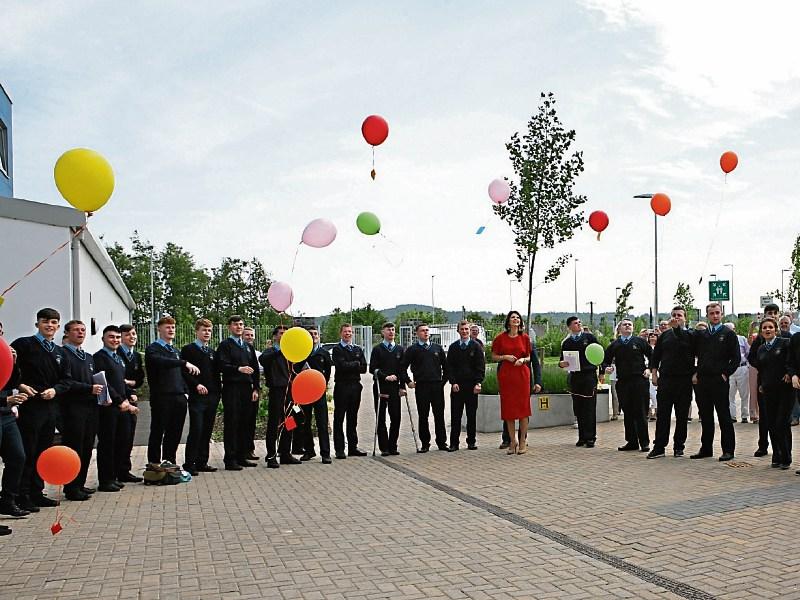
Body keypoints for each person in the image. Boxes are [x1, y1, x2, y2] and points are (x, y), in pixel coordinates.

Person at [11, 307, 72, 511]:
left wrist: (55, 391)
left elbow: (66, 380)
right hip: (30, 407)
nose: (50, 325)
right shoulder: (24, 345)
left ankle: (37, 492)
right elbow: (9, 369)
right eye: (45, 321)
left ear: (58, 326)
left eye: (54, 322)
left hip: (50, 408)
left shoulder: (59, 352)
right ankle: (21, 494)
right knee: (27, 451)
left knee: (42, 453)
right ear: (37, 323)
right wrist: (20, 385)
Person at [687, 302, 740, 461]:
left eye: (717, 313)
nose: (715, 316)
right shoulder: (701, 335)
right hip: (703, 381)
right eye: (712, 313)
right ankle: (706, 448)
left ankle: (728, 450)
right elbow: (693, 354)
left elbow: (736, 358)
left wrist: (726, 373)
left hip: (719, 380)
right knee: (706, 416)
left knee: (723, 415)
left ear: (721, 314)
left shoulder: (728, 334)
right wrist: (695, 372)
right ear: (707, 315)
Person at [145, 316, 199, 468]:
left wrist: (185, 392)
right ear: (159, 329)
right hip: (161, 397)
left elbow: (181, 373)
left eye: (173, 327)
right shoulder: (153, 349)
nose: (171, 330)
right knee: (157, 431)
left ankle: (170, 462)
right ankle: (154, 465)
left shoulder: (175, 351)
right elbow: (162, 362)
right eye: (167, 327)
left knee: (174, 432)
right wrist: (183, 362)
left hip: (178, 397)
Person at [60, 320, 103, 500]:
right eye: (76, 330)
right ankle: (71, 487)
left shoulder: (88, 357)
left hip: (90, 408)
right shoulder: (63, 354)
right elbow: (67, 382)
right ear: (67, 333)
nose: (80, 333)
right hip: (72, 409)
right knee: (74, 448)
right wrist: (88, 389)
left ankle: (80, 483)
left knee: (86, 447)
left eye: (83, 330)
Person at [93, 325, 136, 492]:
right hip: (108, 407)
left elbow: (121, 382)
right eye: (111, 337)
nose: (115, 340)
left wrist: (129, 395)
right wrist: (120, 400)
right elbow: (105, 384)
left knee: (121, 442)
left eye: (118, 337)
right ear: (103, 339)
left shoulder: (118, 358)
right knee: (107, 444)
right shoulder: (99, 358)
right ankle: (105, 480)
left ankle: (116, 475)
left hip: (122, 407)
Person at [648, 306, 695, 458]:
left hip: (684, 379)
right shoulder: (665, 335)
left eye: (679, 315)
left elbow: (688, 347)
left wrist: (677, 330)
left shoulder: (690, 334)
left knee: (682, 415)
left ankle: (678, 446)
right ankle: (659, 446)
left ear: (685, 318)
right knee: (663, 414)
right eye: (674, 315)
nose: (676, 317)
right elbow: (656, 356)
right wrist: (654, 374)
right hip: (666, 379)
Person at [217, 316, 260, 470]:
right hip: (232, 388)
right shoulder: (225, 345)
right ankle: (230, 459)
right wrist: (238, 369)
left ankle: (242, 456)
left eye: (241, 324)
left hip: (247, 389)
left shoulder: (248, 347)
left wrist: (256, 388)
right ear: (229, 327)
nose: (239, 327)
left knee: (245, 423)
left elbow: (255, 368)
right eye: (235, 325)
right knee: (232, 423)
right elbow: (221, 365)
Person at [601, 318, 651, 453]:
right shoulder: (615, 345)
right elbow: (605, 361)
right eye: (625, 324)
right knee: (628, 413)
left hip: (639, 380)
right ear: (619, 329)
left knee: (640, 412)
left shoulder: (640, 342)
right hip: (623, 382)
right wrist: (606, 368)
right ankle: (632, 441)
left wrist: (649, 369)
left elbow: (652, 357)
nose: (627, 326)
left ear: (633, 328)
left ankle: (644, 442)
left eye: (630, 324)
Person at [180, 318, 221, 475]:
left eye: (209, 330)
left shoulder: (212, 352)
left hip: (212, 396)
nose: (207, 333)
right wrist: (195, 384)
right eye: (204, 330)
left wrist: (218, 392)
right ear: (196, 331)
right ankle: (190, 463)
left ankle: (202, 461)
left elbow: (216, 373)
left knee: (207, 430)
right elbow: (184, 372)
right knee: (196, 429)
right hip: (197, 396)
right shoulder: (188, 350)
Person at [750, 318, 793, 469]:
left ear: (776, 329)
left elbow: (791, 361)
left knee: (782, 422)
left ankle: (786, 456)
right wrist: (761, 384)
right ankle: (777, 454)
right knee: (772, 424)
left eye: (770, 327)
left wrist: (789, 373)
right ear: (761, 331)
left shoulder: (785, 343)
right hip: (768, 390)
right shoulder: (761, 349)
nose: (767, 330)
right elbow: (761, 368)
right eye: (764, 328)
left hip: (785, 390)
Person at [492, 311, 536, 454]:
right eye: (513, 317)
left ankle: (522, 440)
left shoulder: (525, 338)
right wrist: (505, 357)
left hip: (522, 375)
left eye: (518, 317)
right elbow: (494, 356)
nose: (515, 319)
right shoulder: (500, 338)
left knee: (523, 410)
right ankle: (512, 441)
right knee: (508, 410)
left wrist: (523, 360)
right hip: (507, 376)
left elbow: (529, 357)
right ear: (508, 321)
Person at [402, 323, 448, 453]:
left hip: (436, 386)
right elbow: (402, 368)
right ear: (417, 333)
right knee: (423, 416)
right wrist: (408, 381)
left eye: (427, 330)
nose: (425, 333)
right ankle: (425, 443)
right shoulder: (412, 350)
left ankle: (442, 442)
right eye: (422, 331)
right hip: (421, 386)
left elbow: (446, 368)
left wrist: (442, 382)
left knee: (439, 415)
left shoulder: (437, 348)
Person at [0, 324, 29, 530]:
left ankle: (7, 500)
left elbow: (13, 380)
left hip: (6, 417)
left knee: (18, 457)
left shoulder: (4, 353)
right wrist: (6, 401)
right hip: (3, 407)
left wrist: (14, 362)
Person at [260, 325, 301, 468]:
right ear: (275, 336)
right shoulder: (270, 352)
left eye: (286, 333)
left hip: (291, 391)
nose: (284, 335)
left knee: (291, 422)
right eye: (281, 333)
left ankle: (286, 453)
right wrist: (279, 351)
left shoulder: (292, 353)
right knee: (274, 423)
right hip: (277, 391)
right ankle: (271, 455)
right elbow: (263, 360)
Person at [559, 316, 600, 448]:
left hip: (589, 376)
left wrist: (602, 371)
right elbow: (562, 361)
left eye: (579, 322)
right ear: (569, 327)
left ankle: (590, 437)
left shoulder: (590, 338)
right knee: (578, 407)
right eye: (575, 323)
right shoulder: (567, 342)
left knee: (589, 406)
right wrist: (561, 364)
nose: (579, 324)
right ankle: (582, 436)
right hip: (575, 377)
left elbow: (599, 354)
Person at [369, 322, 407, 456]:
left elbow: (403, 370)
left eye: (393, 329)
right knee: (381, 417)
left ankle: (393, 445)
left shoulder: (400, 349)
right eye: (388, 330)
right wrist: (385, 377)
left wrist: (403, 386)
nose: (391, 332)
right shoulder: (377, 349)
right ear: (382, 332)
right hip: (381, 387)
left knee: (396, 417)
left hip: (395, 388)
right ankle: (384, 447)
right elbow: (372, 369)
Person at [447, 320, 486, 451]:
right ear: (458, 331)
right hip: (457, 386)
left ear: (469, 331)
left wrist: (478, 383)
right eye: (462, 329)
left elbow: (480, 367)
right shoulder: (453, 348)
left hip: (471, 386)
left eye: (466, 329)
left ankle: (471, 442)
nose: (464, 331)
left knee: (471, 415)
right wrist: (453, 382)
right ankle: (454, 443)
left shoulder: (476, 347)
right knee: (455, 416)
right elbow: (449, 368)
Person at [331, 323, 369, 458]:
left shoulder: (358, 349)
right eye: (345, 331)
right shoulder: (337, 349)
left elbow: (364, 368)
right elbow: (341, 366)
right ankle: (339, 449)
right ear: (341, 333)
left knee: (353, 418)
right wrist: (356, 364)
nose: (348, 334)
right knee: (339, 418)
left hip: (355, 386)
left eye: (350, 331)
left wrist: (352, 365)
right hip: (342, 386)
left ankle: (353, 447)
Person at [749, 305, 781, 453]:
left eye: (775, 313)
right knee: (764, 414)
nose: (773, 315)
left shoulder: (786, 338)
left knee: (780, 417)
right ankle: (763, 445)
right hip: (764, 381)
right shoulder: (760, 340)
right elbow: (751, 357)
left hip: (782, 382)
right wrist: (763, 367)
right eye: (769, 313)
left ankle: (781, 449)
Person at [299, 327, 332, 463]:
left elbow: (328, 372)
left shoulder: (323, 353)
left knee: (322, 423)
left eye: (315, 334)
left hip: (319, 392)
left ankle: (325, 453)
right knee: (305, 422)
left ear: (319, 336)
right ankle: (309, 450)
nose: (313, 336)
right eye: (310, 334)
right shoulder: (301, 352)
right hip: (305, 392)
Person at [117, 324, 145, 483]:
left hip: (132, 399)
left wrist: (131, 384)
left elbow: (140, 379)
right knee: (119, 437)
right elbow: (116, 378)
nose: (132, 337)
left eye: (133, 334)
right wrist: (126, 385)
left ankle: (124, 470)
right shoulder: (117, 353)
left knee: (128, 438)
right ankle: (115, 471)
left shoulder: (136, 356)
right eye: (127, 334)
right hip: (119, 401)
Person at [724, 322, 750, 423]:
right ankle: (732, 416)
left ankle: (744, 416)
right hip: (729, 370)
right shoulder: (722, 340)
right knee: (730, 394)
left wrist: (747, 366)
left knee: (744, 394)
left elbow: (748, 353)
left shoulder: (741, 339)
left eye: (732, 329)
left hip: (741, 368)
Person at [242, 326, 261, 460]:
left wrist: (256, 389)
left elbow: (257, 372)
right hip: (240, 391)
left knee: (251, 422)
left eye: (251, 335)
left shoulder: (255, 352)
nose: (249, 337)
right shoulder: (239, 350)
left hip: (252, 391)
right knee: (242, 422)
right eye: (247, 335)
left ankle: (250, 449)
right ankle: (241, 451)